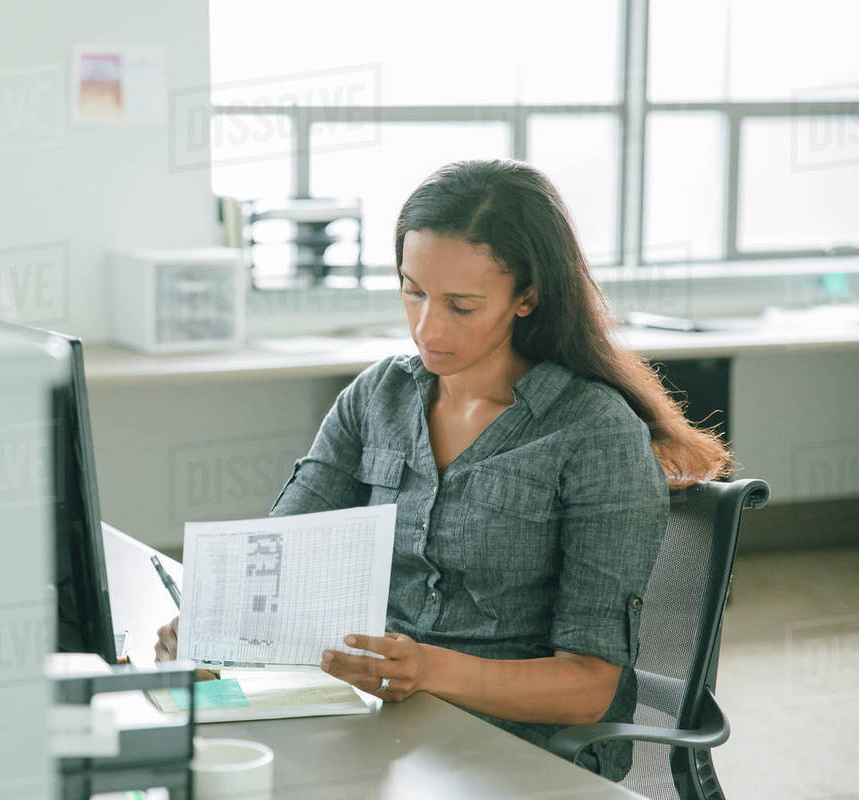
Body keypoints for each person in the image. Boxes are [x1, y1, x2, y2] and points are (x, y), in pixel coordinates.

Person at [154, 159, 733, 781]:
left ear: (528, 297)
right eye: (413, 291)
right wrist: (217, 618)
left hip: (519, 747)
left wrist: (426, 668)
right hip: (380, 714)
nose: (427, 328)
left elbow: (591, 686)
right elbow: (281, 550)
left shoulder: (593, 432)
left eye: (461, 305)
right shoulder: (379, 397)